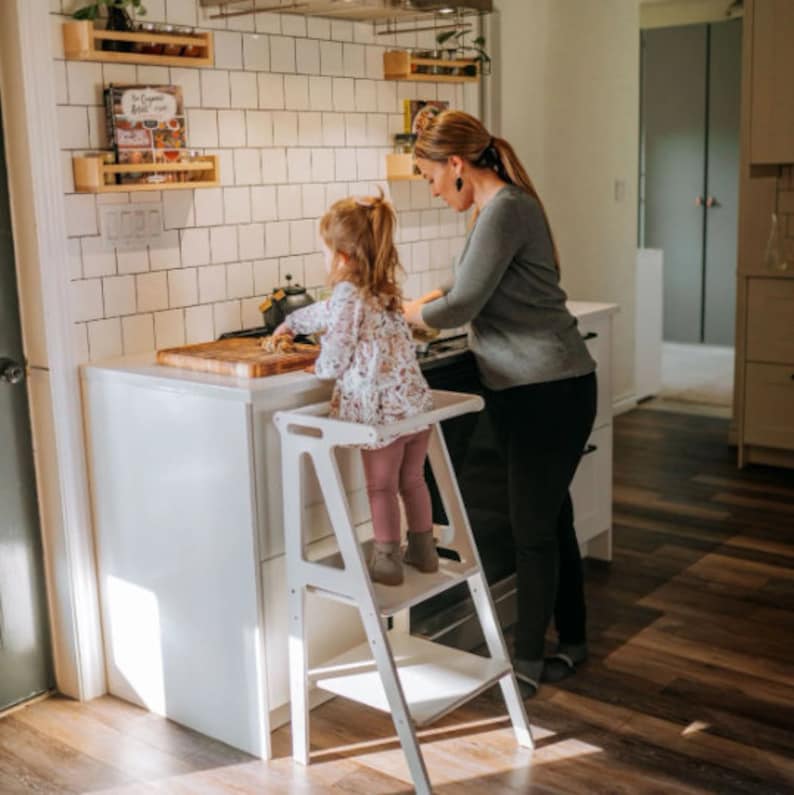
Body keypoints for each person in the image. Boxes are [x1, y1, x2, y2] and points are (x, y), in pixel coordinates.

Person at [403, 110, 597, 695]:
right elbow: (463, 288)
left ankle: (525, 665)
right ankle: (575, 641)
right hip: (534, 388)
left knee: (531, 527)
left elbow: (460, 305)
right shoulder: (494, 211)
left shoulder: (506, 208)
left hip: (548, 389)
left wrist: (410, 313)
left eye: (430, 176)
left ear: (456, 164)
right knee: (551, 518)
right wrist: (430, 300)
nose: (432, 189)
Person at [274, 192, 438, 587]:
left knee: (380, 487)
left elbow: (338, 346)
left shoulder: (348, 293)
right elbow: (323, 313)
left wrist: (321, 366)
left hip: (381, 413)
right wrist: (291, 323)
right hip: (415, 408)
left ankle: (386, 559)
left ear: (342, 257)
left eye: (325, 251)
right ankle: (424, 549)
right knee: (412, 480)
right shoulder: (383, 288)